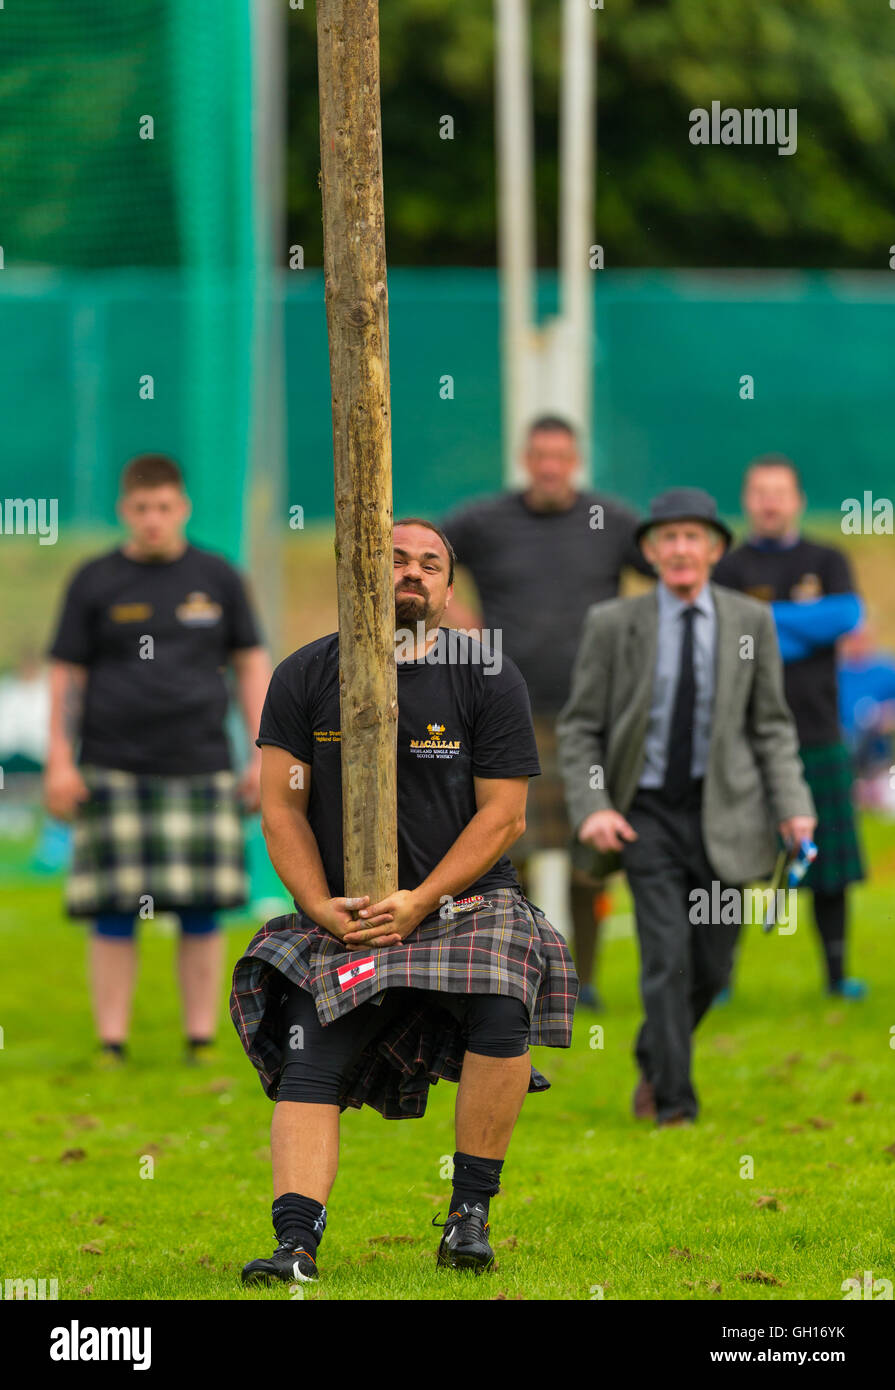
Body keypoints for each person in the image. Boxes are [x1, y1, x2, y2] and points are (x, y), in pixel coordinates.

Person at [231, 519, 577, 1283]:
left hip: (463, 905)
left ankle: (467, 1215)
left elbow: (504, 815)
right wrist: (318, 904)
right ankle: (296, 1245)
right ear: (359, 571)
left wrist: (421, 898)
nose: (412, 573)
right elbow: (282, 808)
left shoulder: (486, 675)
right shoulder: (303, 675)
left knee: (500, 996)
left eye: (430, 564)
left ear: (449, 591)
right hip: (346, 911)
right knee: (305, 1048)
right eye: (393, 559)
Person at [557, 488, 815, 1126]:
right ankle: (675, 1103)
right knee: (665, 954)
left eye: (691, 537)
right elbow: (580, 726)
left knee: (712, 965)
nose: (678, 549)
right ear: (648, 551)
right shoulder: (613, 624)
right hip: (644, 816)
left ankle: (654, 1049)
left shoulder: (752, 625)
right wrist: (592, 803)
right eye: (665, 538)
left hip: (728, 814)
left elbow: (772, 727)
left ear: (715, 549)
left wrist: (795, 807)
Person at [44, 453, 270, 1065]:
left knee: (203, 907)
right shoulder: (94, 580)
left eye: (164, 508)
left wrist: (261, 752)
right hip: (114, 764)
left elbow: (250, 663)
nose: (153, 520)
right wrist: (60, 760)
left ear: (183, 509)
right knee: (113, 909)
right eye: (142, 509)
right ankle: (111, 1043)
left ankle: (200, 1039)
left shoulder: (218, 577)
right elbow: (66, 674)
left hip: (201, 762)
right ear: (125, 511)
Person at [440, 416, 653, 1009]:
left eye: (561, 455)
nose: (551, 466)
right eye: (540, 455)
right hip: (510, 715)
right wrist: (464, 626)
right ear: (524, 459)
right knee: (514, 857)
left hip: (592, 717)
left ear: (576, 459)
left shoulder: (608, 518)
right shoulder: (485, 521)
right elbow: (413, 556)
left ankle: (584, 983)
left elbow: (675, 576)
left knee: (593, 853)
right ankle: (526, 980)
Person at [713, 456, 867, 999]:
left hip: (818, 733)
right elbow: (723, 632)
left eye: (779, 492)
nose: (770, 502)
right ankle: (720, 979)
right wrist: (807, 626)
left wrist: (763, 622)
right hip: (744, 737)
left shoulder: (827, 557)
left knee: (828, 868)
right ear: (747, 500)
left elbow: (847, 617)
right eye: (759, 492)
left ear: (798, 499)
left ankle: (837, 976)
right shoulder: (728, 566)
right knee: (729, 863)